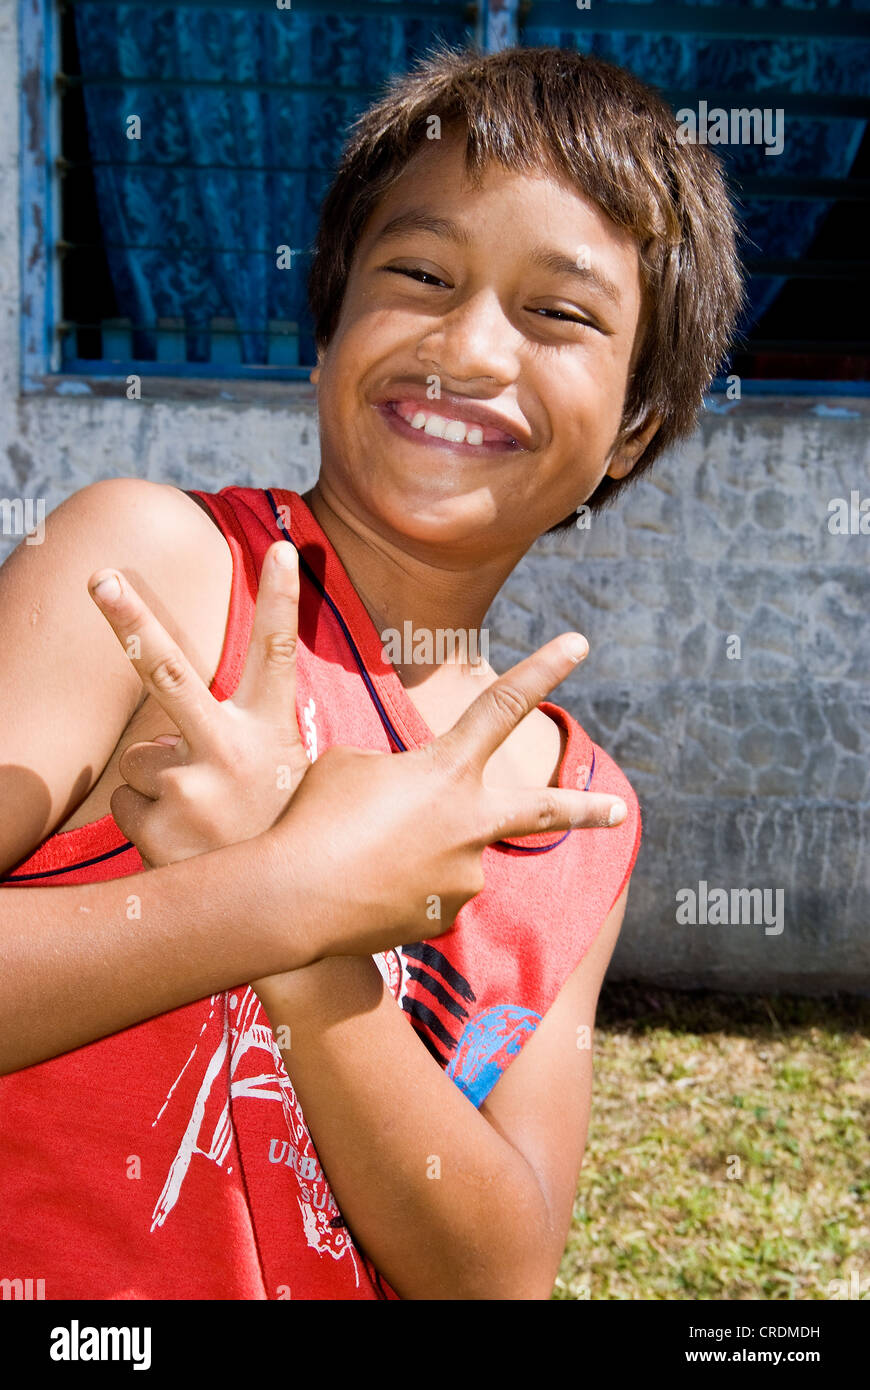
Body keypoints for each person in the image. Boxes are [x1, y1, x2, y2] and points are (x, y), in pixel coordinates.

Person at [0, 45, 742, 1300]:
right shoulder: (162, 576)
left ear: (634, 428)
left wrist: (309, 948)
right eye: (419, 275)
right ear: (330, 325)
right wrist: (279, 895)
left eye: (558, 312)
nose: (468, 345)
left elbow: (498, 1271)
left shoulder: (573, 816)